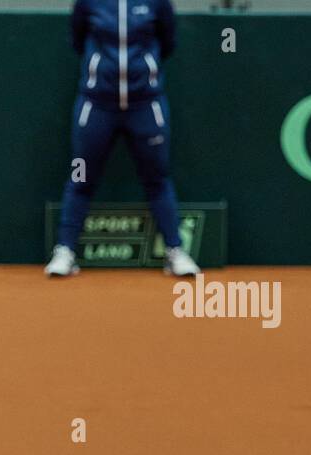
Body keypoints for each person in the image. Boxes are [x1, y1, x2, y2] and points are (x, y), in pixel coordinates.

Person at [45, 0, 200, 278]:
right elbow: (77, 39)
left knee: (157, 178)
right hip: (96, 106)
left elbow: (168, 42)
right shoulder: (88, 2)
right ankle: (65, 251)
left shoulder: (157, 3)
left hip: (146, 106)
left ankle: (175, 251)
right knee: (80, 178)